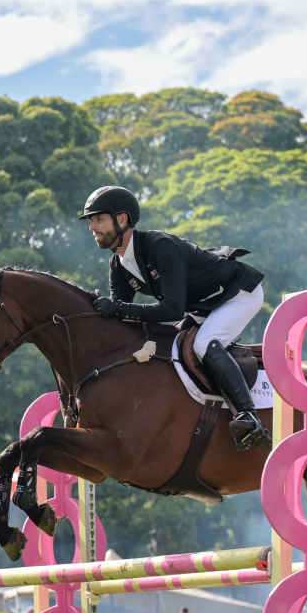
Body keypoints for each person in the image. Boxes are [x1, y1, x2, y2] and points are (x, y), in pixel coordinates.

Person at [79, 185, 269, 450]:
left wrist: (117, 308)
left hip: (237, 293)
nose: (92, 227)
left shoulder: (161, 247)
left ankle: (249, 417)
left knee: (203, 344)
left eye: (98, 219)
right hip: (205, 306)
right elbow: (119, 315)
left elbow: (171, 310)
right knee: (173, 349)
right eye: (91, 221)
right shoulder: (118, 266)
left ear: (121, 220)